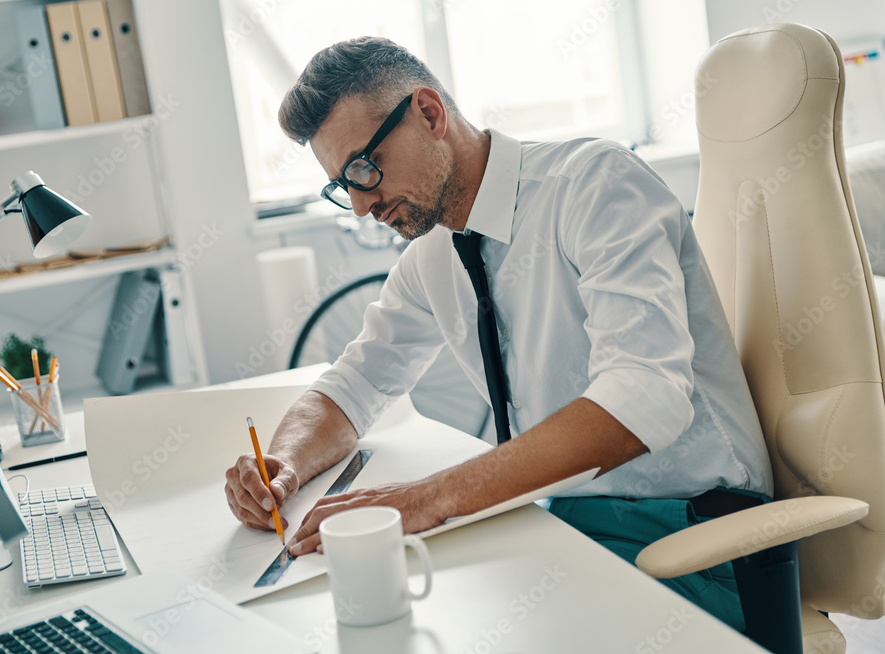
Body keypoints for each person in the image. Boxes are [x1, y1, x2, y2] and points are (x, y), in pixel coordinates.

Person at [224, 36, 773, 630]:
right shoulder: (433, 257)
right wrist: (281, 464)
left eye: (364, 168)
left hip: (698, 536)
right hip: (566, 525)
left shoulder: (593, 186)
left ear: (429, 113)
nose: (361, 205)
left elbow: (645, 399)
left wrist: (426, 498)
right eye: (343, 185)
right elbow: (353, 385)